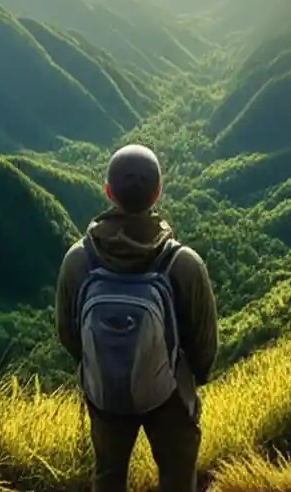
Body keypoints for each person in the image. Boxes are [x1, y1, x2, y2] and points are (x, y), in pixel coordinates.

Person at [56, 144, 218, 492]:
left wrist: (102, 363)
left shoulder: (79, 261)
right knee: (177, 477)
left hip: (105, 391)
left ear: (108, 192)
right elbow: (204, 343)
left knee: (108, 476)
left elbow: (67, 333)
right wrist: (190, 378)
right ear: (158, 192)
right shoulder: (183, 264)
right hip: (170, 392)